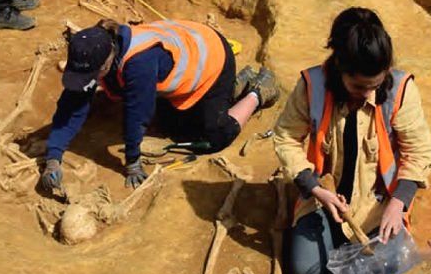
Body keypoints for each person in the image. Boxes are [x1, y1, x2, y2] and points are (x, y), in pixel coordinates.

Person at [273, 7, 431, 274]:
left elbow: (418, 151)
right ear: (339, 68)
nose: (370, 93)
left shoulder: (400, 90)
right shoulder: (312, 85)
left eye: (377, 83)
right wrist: (315, 189)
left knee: (392, 268)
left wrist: (398, 203)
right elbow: (286, 137)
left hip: (377, 204)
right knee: (305, 272)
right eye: (359, 86)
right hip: (322, 198)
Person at [40, 19, 280, 190]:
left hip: (213, 58)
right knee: (171, 128)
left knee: (213, 138)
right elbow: (71, 106)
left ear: (106, 62)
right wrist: (53, 157)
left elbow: (137, 115)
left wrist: (132, 162)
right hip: (188, 54)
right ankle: (234, 87)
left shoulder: (139, 64)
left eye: (91, 76)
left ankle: (257, 92)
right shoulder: (93, 49)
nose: (88, 81)